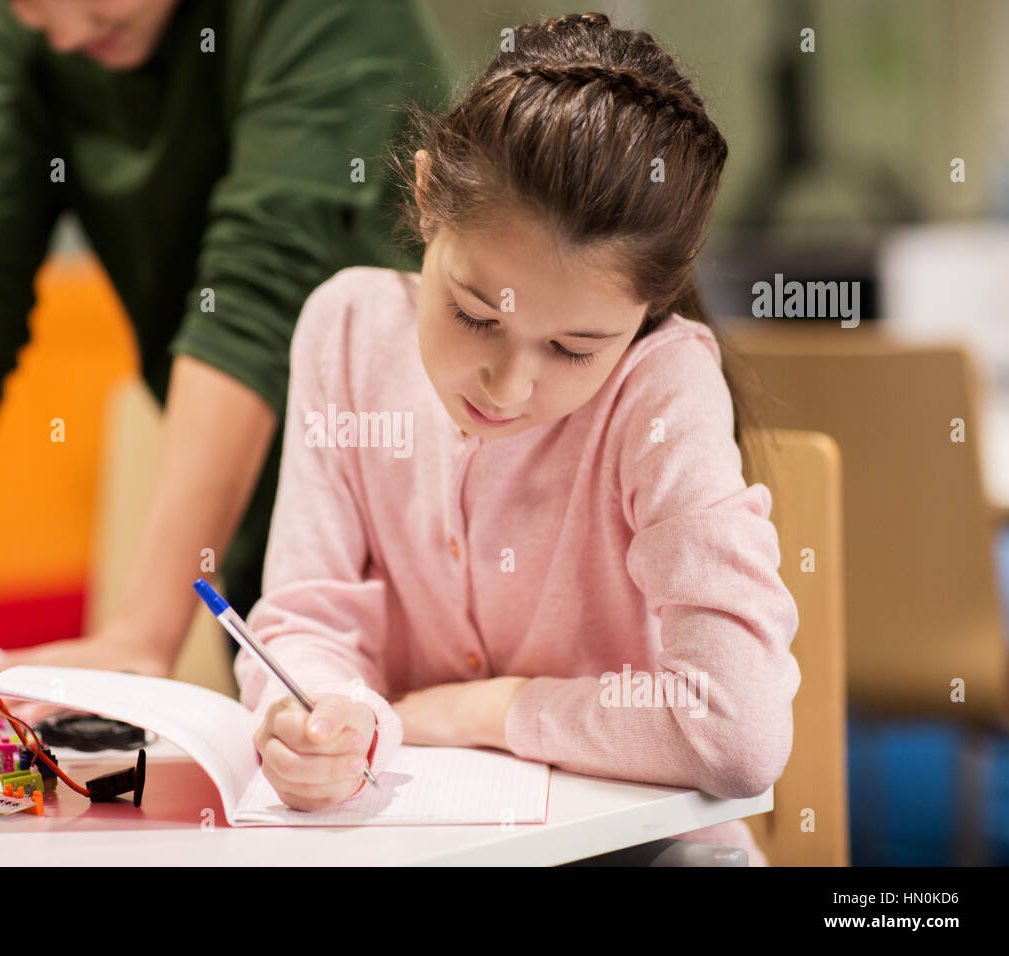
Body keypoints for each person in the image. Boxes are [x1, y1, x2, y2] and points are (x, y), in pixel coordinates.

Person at [237, 12, 800, 867]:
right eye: (474, 315)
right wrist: (318, 716)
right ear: (427, 199)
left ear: (647, 308)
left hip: (651, 850)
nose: (510, 387)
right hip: (419, 840)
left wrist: (481, 710)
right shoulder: (344, 329)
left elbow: (738, 730)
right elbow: (306, 615)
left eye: (576, 349)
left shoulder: (663, 385)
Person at [0, 0, 449, 686]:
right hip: (266, 530)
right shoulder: (37, 27)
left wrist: (141, 634)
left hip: (425, 509)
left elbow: (260, 282)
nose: (60, 32)